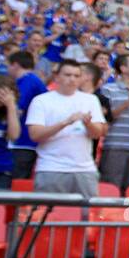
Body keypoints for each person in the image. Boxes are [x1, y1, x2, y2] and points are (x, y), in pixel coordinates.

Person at [25, 58, 106, 198]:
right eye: (67, 75)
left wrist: (88, 124)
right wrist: (65, 122)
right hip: (51, 168)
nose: (72, 79)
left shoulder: (91, 100)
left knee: (87, 216)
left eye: (76, 76)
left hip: (85, 169)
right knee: (47, 216)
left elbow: (97, 133)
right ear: (57, 77)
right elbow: (35, 135)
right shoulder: (41, 100)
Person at [98, 54, 129, 195]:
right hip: (114, 146)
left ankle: (126, 218)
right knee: (110, 190)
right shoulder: (108, 89)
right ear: (123, 68)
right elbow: (106, 117)